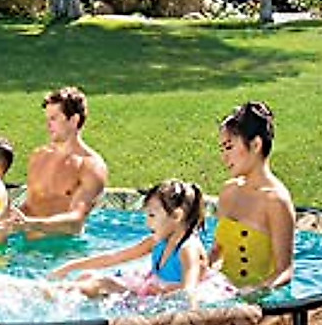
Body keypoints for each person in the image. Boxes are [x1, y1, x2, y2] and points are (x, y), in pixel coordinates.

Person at [51, 180, 209, 298]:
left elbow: (189, 292)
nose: (147, 222)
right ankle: (60, 294)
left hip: (159, 299)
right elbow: (115, 257)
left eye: (152, 215)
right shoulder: (157, 241)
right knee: (87, 276)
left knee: (102, 284)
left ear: (176, 216)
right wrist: (71, 266)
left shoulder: (188, 249)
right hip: (151, 291)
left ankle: (54, 294)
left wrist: (159, 291)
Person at [210, 101, 295, 291]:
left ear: (256, 144)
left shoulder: (276, 201)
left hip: (257, 301)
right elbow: (216, 253)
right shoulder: (228, 192)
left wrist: (252, 294)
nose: (224, 157)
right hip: (222, 293)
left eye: (229, 147)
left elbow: (284, 271)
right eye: (222, 149)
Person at [9, 86, 109, 239]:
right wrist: (7, 219)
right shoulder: (39, 156)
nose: (48, 125)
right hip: (27, 246)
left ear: (74, 120)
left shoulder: (91, 166)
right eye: (47, 119)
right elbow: (30, 206)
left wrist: (29, 223)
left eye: (54, 118)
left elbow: (76, 221)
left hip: (65, 249)